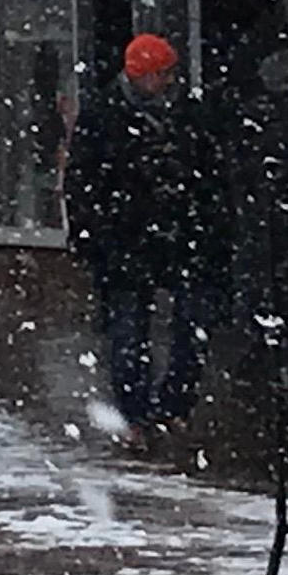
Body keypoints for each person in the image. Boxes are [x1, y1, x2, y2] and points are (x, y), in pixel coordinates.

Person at [67, 31, 226, 439]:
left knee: (175, 324)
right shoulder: (108, 116)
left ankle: (165, 406)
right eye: (163, 73)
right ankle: (140, 412)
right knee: (132, 328)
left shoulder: (171, 113)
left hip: (169, 232)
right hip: (133, 235)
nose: (169, 81)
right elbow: (83, 180)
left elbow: (210, 173)